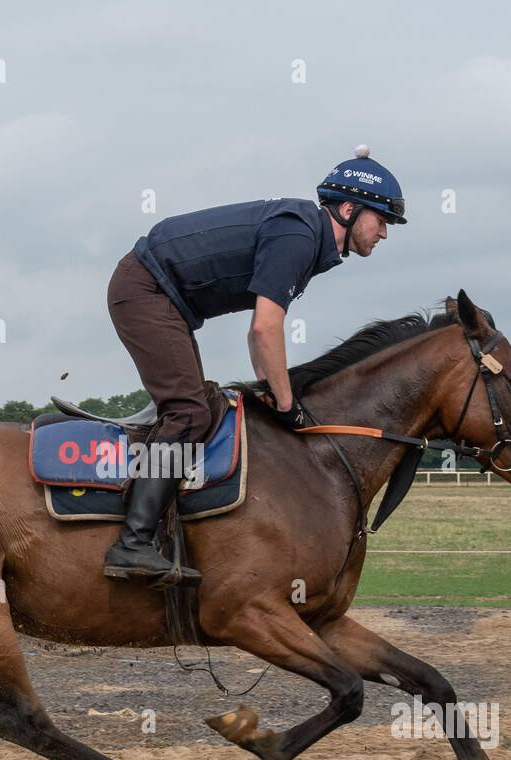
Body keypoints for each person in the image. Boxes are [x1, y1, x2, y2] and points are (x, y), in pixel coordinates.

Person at [102, 144, 407, 587]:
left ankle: (157, 530)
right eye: (381, 220)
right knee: (188, 412)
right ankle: (132, 544)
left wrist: (272, 390)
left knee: (199, 407)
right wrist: (286, 403)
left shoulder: (307, 237)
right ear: (348, 209)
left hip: (162, 298)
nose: (383, 233)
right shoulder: (299, 236)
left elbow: (256, 334)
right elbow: (267, 329)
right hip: (146, 291)